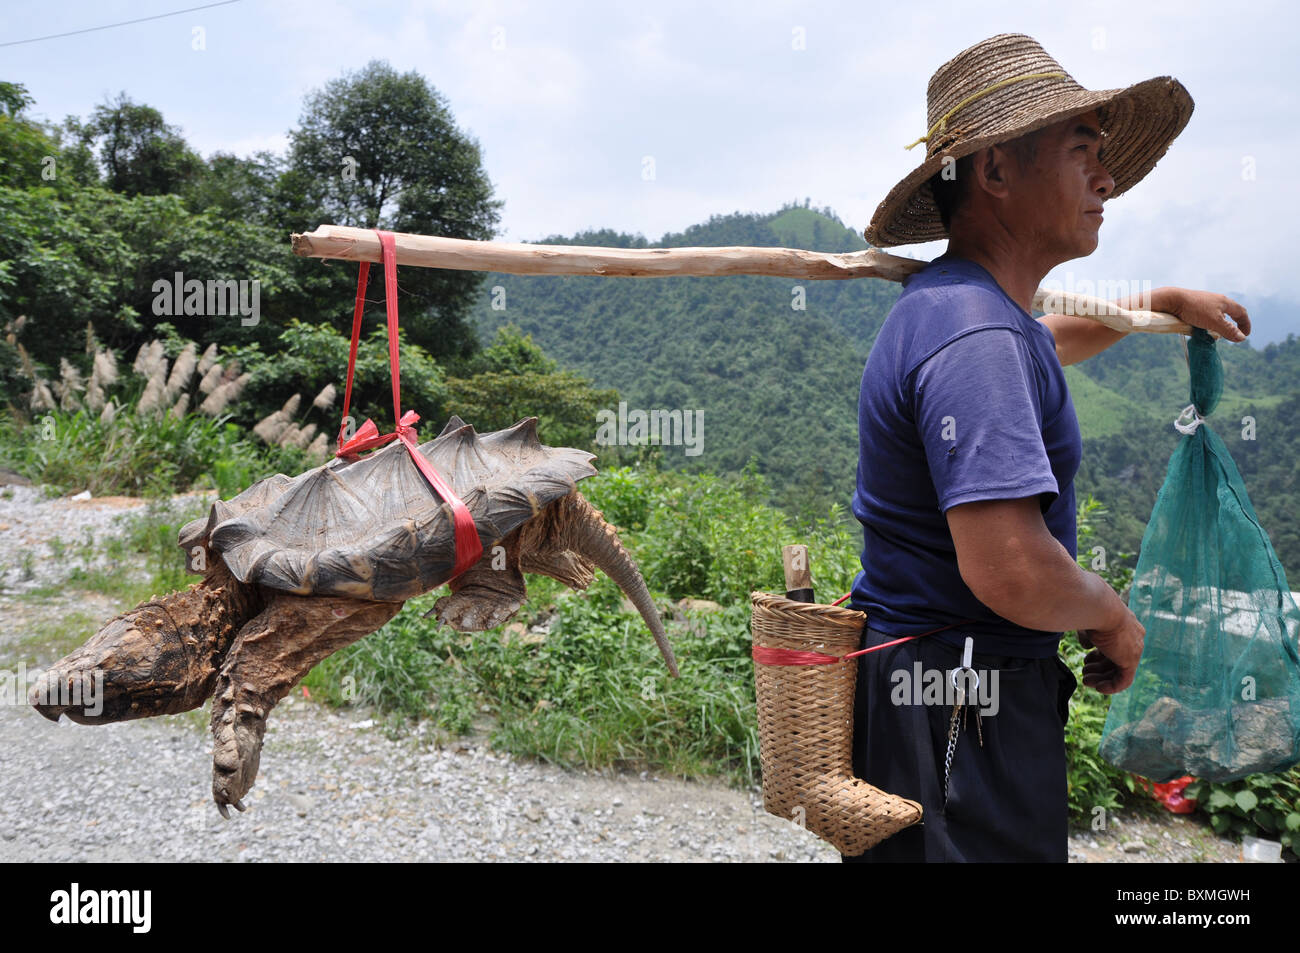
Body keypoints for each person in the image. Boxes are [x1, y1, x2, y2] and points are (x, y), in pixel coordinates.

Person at [843, 33, 1251, 863]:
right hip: (956, 707)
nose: (1106, 179)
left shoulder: (966, 308)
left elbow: (1041, 343)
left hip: (934, 694)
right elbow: (1013, 570)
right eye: (1082, 151)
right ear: (995, 171)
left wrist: (1159, 300)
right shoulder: (975, 334)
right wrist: (1114, 618)